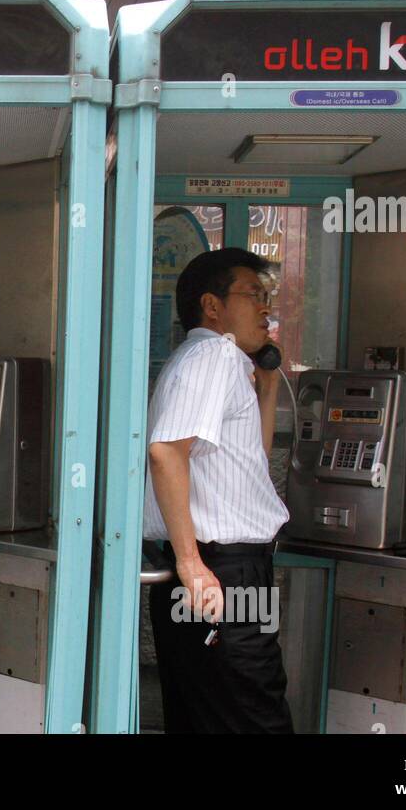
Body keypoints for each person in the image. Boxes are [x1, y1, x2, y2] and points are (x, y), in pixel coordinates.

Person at [144, 247, 294, 733]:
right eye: (253, 295)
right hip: (221, 569)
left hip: (222, 567)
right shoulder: (215, 354)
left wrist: (267, 388)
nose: (266, 308)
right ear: (212, 305)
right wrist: (192, 565)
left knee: (209, 714)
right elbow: (166, 452)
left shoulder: (211, 361)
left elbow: (248, 463)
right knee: (256, 712)